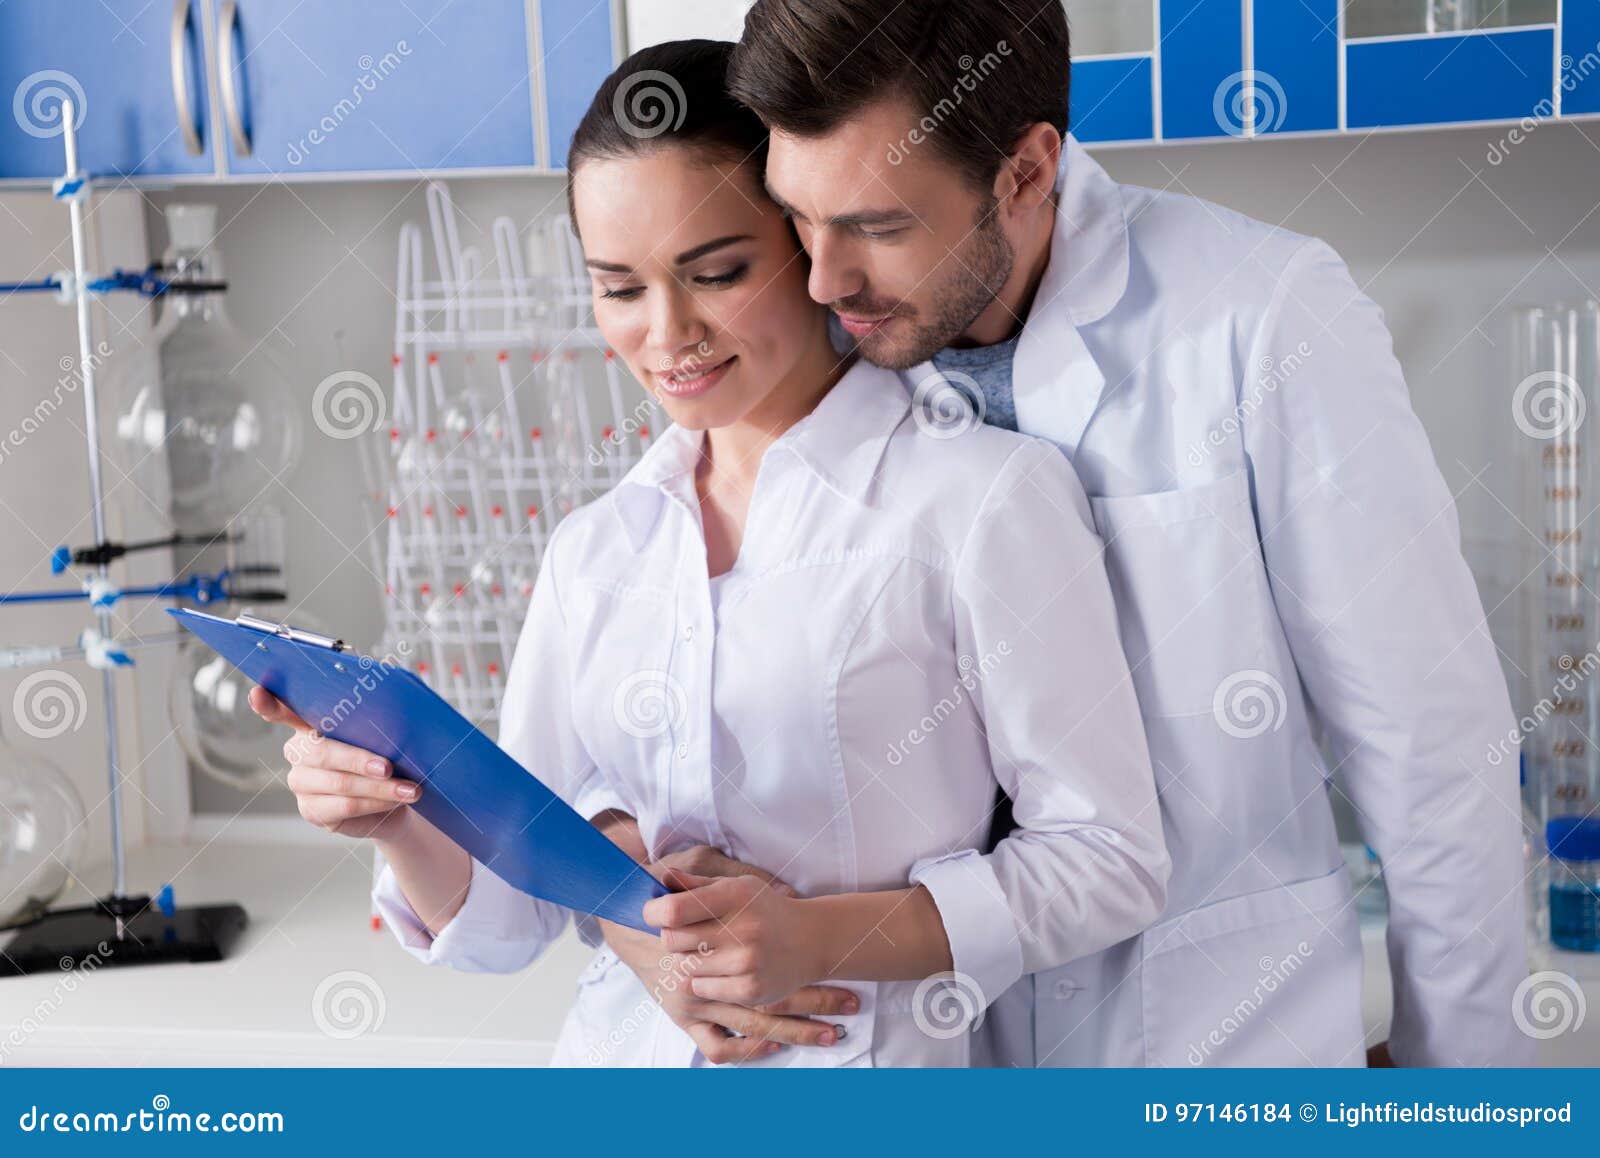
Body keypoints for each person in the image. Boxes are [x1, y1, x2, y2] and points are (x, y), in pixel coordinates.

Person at [253, 38, 1170, 1067]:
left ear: (808, 246)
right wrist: (390, 820)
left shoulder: (978, 500)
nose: (667, 333)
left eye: (717, 272)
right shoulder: (596, 549)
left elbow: (1109, 860)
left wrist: (820, 937)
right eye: (619, 289)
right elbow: (511, 918)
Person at [666, 0, 1525, 1067]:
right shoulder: (820, 354)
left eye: (879, 227)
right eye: (798, 217)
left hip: (1217, 1048)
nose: (824, 279)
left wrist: (1465, 1087)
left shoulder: (1258, 318)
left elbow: (1431, 748)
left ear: (1026, 171)